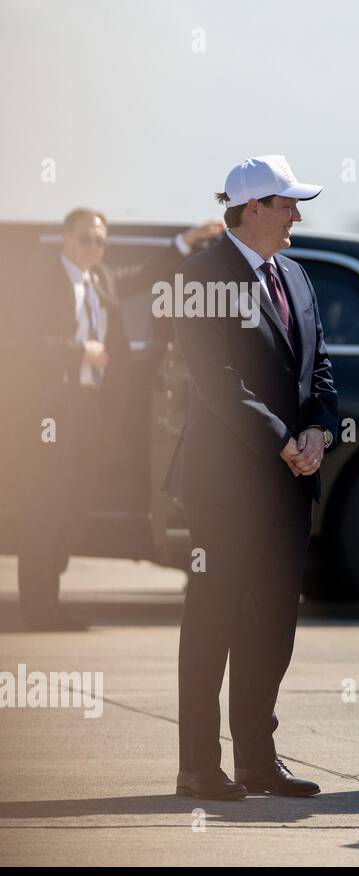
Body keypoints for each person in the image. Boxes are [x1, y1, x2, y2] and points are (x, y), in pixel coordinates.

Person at [169, 155, 338, 801]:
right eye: (288, 203)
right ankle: (197, 765)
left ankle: (257, 760)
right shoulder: (199, 274)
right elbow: (215, 381)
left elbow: (318, 369)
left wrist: (318, 432)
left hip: (287, 481)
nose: (298, 213)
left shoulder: (294, 274)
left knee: (271, 622)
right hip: (224, 483)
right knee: (212, 619)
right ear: (254, 208)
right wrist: (282, 442)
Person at [15, 208, 221, 630]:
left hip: (89, 411)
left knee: (74, 507)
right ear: (66, 239)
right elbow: (24, 343)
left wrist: (187, 241)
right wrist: (79, 352)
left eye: (100, 240)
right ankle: (37, 609)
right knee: (46, 509)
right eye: (85, 239)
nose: (93, 247)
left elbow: (145, 275)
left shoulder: (101, 280)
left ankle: (48, 603)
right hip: (50, 413)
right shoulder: (46, 282)